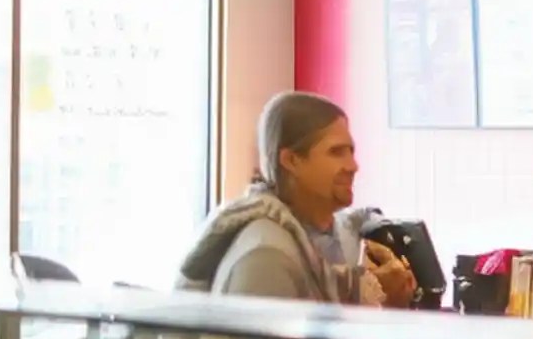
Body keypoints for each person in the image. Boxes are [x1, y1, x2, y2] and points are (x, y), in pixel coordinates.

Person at [176, 91, 414, 306]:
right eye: (336, 152)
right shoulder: (266, 255)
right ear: (291, 161)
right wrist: (379, 302)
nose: (353, 166)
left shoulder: (338, 235)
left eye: (351, 152)